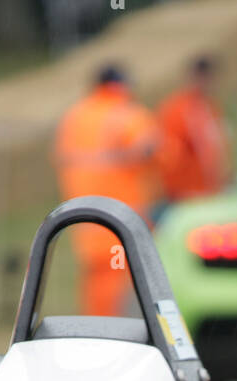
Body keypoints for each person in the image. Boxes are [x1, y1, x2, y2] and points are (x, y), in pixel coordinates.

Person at [53, 65, 161, 315]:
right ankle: (118, 330)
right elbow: (150, 150)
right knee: (123, 275)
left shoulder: (75, 115)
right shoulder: (126, 114)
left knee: (94, 274)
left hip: (81, 210)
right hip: (122, 209)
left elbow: (63, 157)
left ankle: (95, 326)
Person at [156, 55, 231, 206]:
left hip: (211, 192)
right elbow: (167, 152)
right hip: (185, 194)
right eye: (202, 77)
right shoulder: (176, 109)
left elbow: (218, 147)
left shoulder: (212, 107)